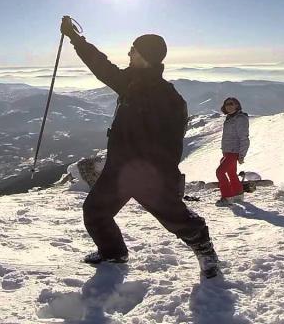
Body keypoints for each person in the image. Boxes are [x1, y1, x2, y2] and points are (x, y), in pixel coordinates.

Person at [59, 16, 221, 279]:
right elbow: (100, 65)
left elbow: (172, 144)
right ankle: (113, 252)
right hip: (119, 169)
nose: (129, 53)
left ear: (145, 55)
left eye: (133, 49)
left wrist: (164, 177)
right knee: (95, 211)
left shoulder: (168, 98)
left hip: (149, 174)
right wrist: (75, 38)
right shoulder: (130, 82)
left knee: (177, 219)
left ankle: (206, 251)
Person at [216, 97, 249, 206]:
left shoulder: (240, 118)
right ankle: (238, 195)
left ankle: (227, 197)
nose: (229, 106)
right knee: (231, 173)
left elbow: (244, 138)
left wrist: (241, 155)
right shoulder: (230, 117)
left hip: (233, 151)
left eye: (231, 104)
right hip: (227, 151)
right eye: (226, 104)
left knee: (220, 172)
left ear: (237, 105)